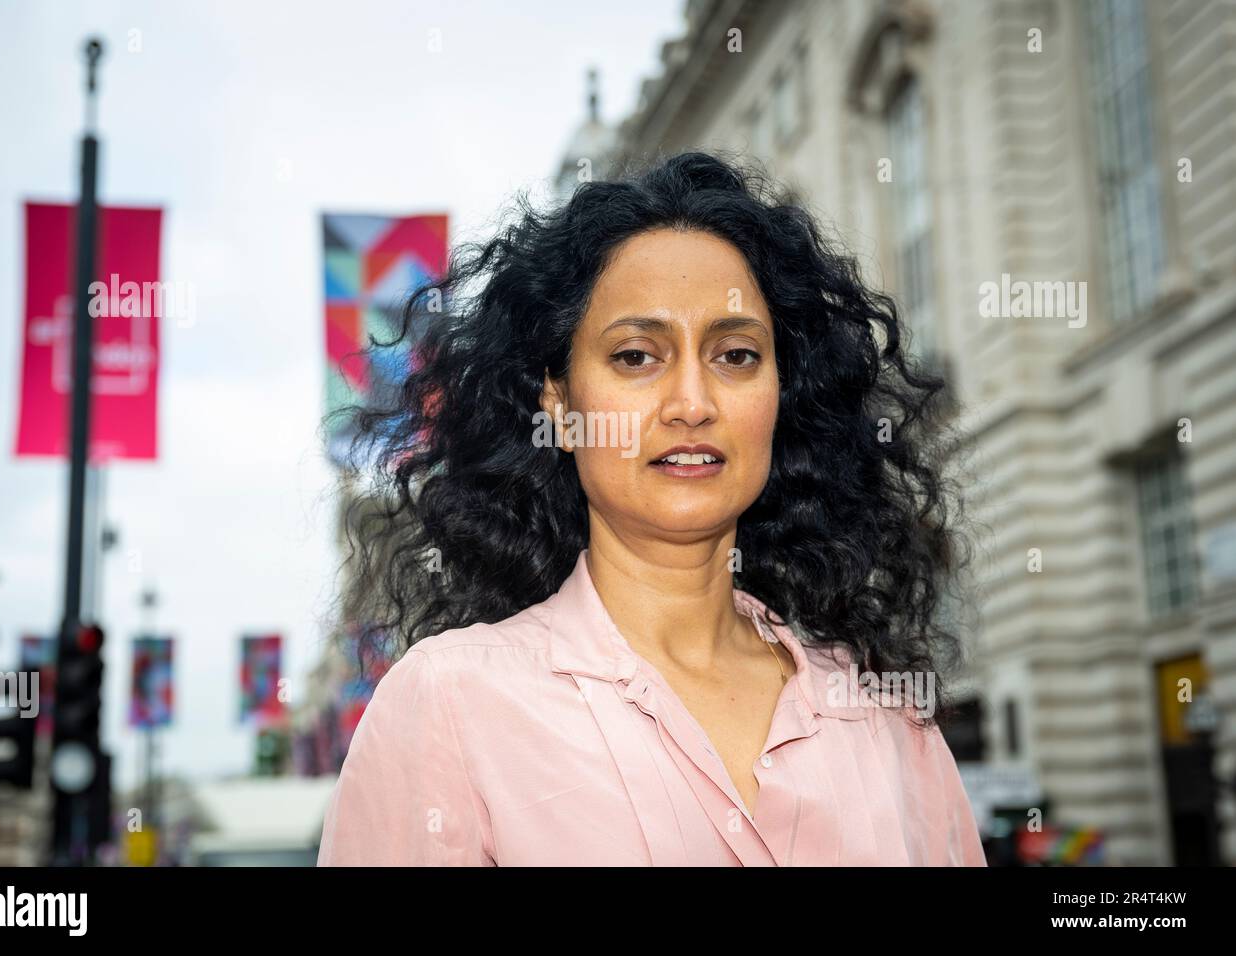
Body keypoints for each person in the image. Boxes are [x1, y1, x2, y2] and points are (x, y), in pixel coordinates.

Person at [317, 151, 986, 866]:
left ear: (781, 396)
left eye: (735, 356)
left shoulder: (889, 720)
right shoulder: (449, 703)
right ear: (560, 403)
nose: (693, 404)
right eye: (637, 356)